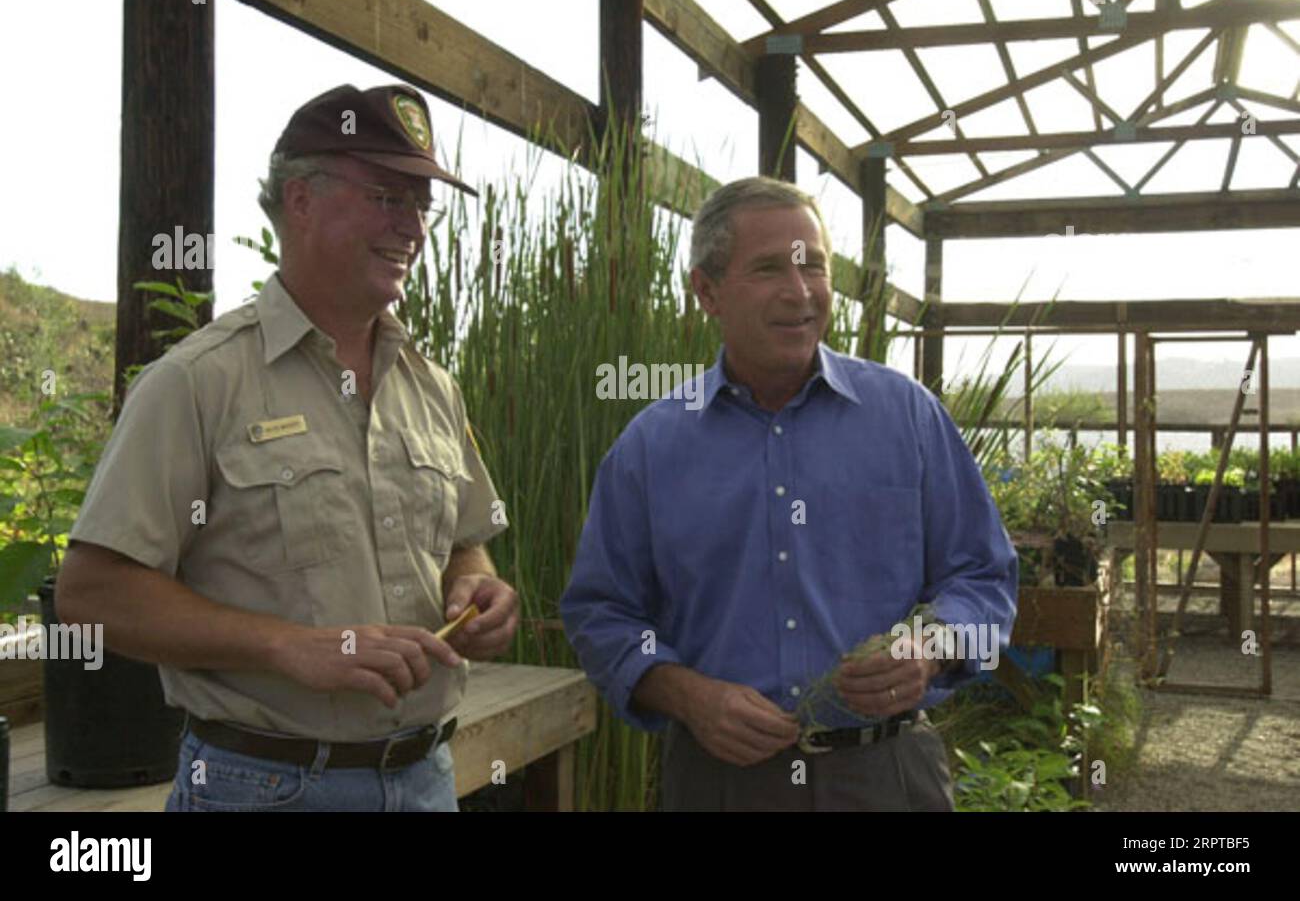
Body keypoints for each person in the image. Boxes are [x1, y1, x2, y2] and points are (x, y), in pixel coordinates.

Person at [56, 84, 519, 812]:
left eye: (421, 204)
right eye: (388, 197)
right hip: (262, 786)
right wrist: (290, 645)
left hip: (426, 777)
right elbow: (90, 593)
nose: (413, 227)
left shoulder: (432, 386)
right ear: (299, 199)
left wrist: (477, 587)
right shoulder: (198, 381)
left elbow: (465, 541)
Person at [561, 176, 1017, 811]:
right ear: (707, 291)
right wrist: (686, 694)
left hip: (887, 778)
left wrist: (932, 647)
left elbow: (985, 578)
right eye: (770, 268)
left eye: (815, 267)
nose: (800, 293)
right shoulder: (650, 448)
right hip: (719, 786)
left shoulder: (907, 417)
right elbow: (601, 613)